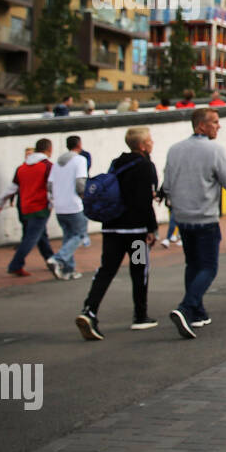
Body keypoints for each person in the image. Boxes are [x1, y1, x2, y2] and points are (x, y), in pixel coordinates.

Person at [163, 108, 226, 338]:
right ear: (201, 125)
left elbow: (167, 185)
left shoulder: (174, 150)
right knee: (209, 267)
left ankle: (198, 312)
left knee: (192, 265)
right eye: (215, 122)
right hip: (205, 218)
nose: (218, 126)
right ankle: (186, 307)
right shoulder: (214, 150)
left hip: (182, 219)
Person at [74, 127, 160, 340]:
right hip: (136, 232)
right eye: (149, 140)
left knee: (106, 270)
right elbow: (145, 200)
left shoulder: (116, 163)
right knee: (139, 270)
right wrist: (152, 228)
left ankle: (89, 310)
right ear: (141, 145)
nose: (152, 143)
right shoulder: (145, 166)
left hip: (112, 228)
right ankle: (140, 316)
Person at [0, 138, 56, 277]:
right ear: (49, 149)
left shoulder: (22, 168)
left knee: (41, 235)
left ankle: (52, 260)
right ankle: (15, 264)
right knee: (31, 237)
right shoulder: (48, 166)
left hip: (25, 206)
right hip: (40, 206)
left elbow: (12, 188)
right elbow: (52, 188)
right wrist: (53, 203)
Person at [47, 134, 90, 279]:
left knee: (68, 236)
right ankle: (58, 259)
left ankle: (68, 270)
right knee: (80, 234)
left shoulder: (57, 163)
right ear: (79, 145)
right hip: (74, 205)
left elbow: (50, 185)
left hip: (60, 206)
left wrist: (55, 198)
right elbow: (80, 183)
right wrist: (84, 196)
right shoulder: (80, 160)